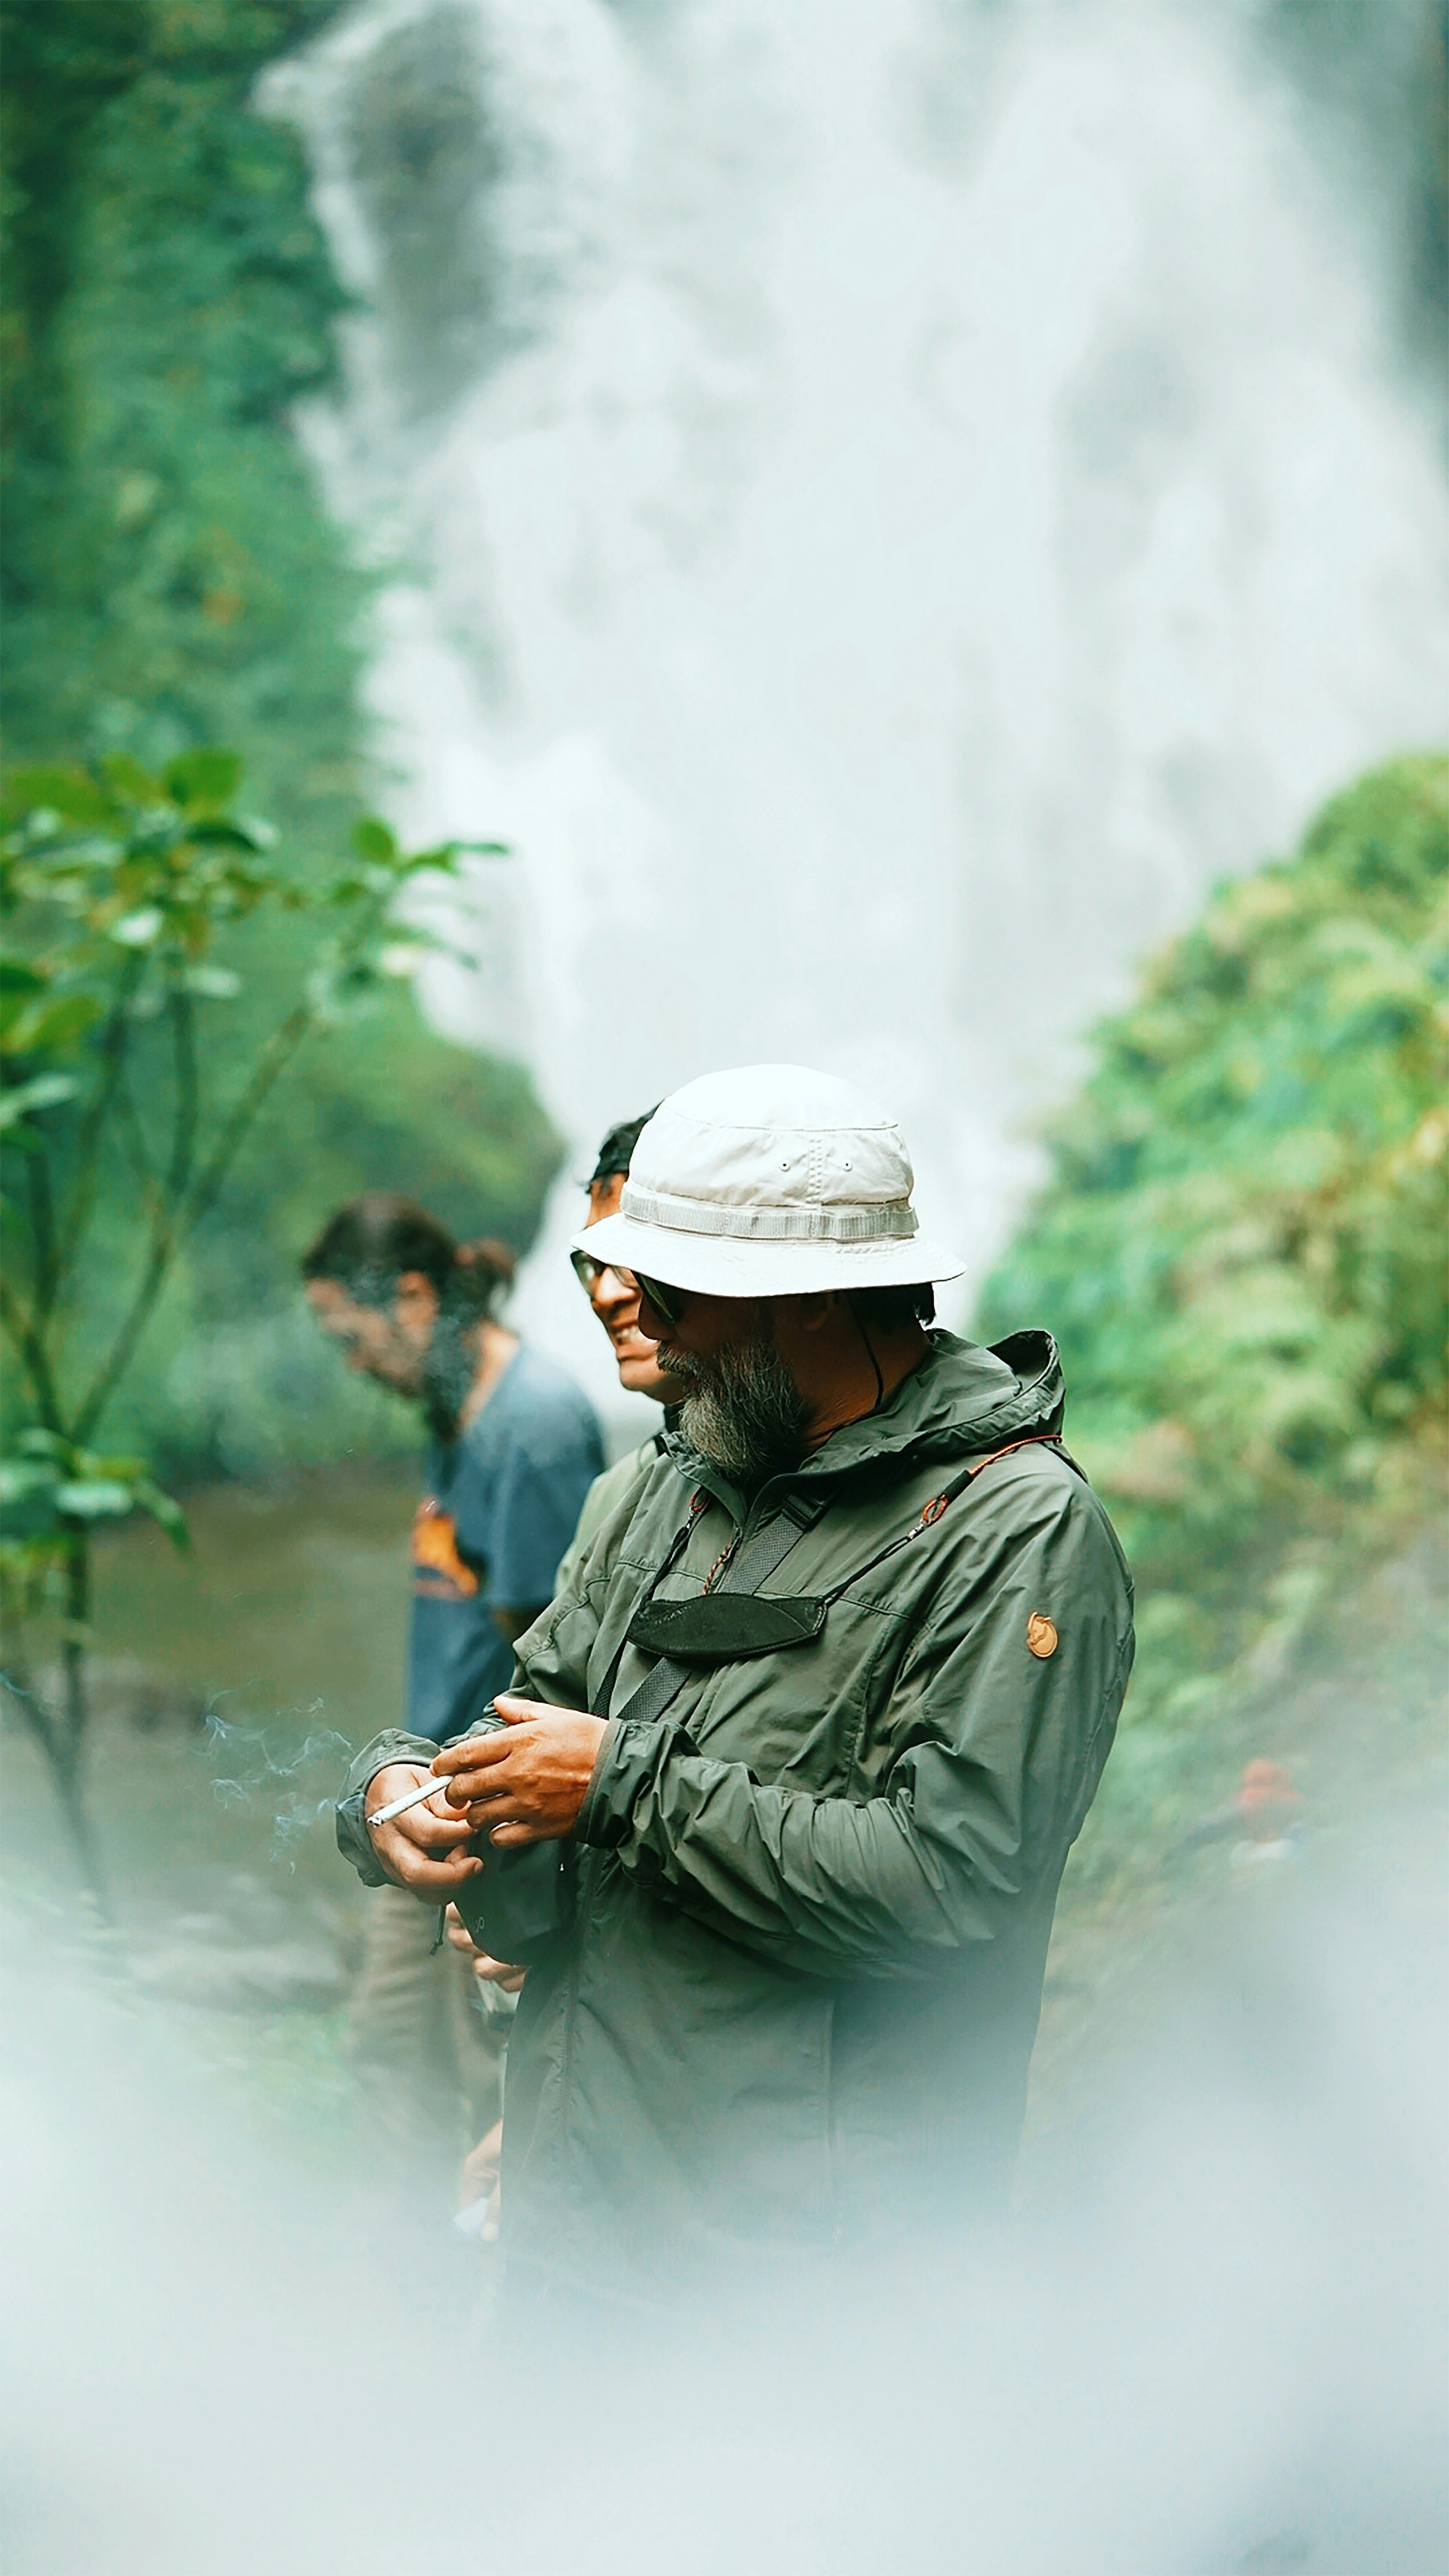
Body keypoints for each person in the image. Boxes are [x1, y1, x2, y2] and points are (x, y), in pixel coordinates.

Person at [335, 1066, 1135, 2310]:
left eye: (676, 1292)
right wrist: (401, 1792)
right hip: (575, 2220)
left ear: (812, 1300)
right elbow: (523, 1734)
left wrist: (619, 1787)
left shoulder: (1016, 1531)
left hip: (804, 2281)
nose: (642, 1320)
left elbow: (955, 1888)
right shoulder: (663, 1485)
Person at [302, 1192, 604, 2177]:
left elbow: (559, 1666)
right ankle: (397, 2290)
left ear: (417, 1297)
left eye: (353, 1336)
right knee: (391, 2053)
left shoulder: (534, 1430)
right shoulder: (453, 1405)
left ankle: (494, 2290)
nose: (353, 1365)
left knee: (494, 2077)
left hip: (488, 1808)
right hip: (428, 1788)